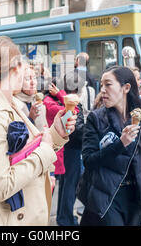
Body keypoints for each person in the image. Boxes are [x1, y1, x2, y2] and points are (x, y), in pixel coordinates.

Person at [0, 36, 76, 226]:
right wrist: (45, 152)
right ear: (15, 68)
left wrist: (56, 133)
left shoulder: (8, 105)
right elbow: (1, 185)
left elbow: (25, 152)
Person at [80, 66, 141, 226]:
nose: (102, 90)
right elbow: (89, 161)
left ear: (126, 88)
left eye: (108, 84)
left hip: (135, 196)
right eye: (101, 85)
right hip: (107, 197)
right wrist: (120, 144)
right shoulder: (96, 118)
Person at [56, 70, 85, 226]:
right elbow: (76, 129)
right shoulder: (73, 104)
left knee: (64, 185)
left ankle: (63, 216)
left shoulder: (60, 100)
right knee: (70, 186)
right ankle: (66, 219)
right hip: (73, 149)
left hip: (63, 149)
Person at [14, 64, 47, 132]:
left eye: (34, 78)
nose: (33, 83)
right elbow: (17, 137)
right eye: (28, 79)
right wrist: (31, 118)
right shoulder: (14, 104)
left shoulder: (36, 100)